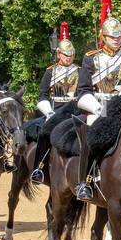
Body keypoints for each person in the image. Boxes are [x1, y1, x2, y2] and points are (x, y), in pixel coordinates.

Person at [73, 0, 121, 201]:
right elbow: (83, 90)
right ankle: (85, 181)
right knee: (91, 131)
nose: (117, 39)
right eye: (112, 37)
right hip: (99, 106)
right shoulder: (90, 58)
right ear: (103, 37)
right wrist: (96, 108)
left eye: (119, 36)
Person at [29, 22, 81, 184]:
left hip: (75, 111)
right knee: (45, 132)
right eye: (66, 54)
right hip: (55, 111)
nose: (69, 57)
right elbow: (42, 96)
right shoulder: (50, 72)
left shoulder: (80, 71)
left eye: (71, 54)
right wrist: (49, 112)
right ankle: (38, 168)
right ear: (59, 54)